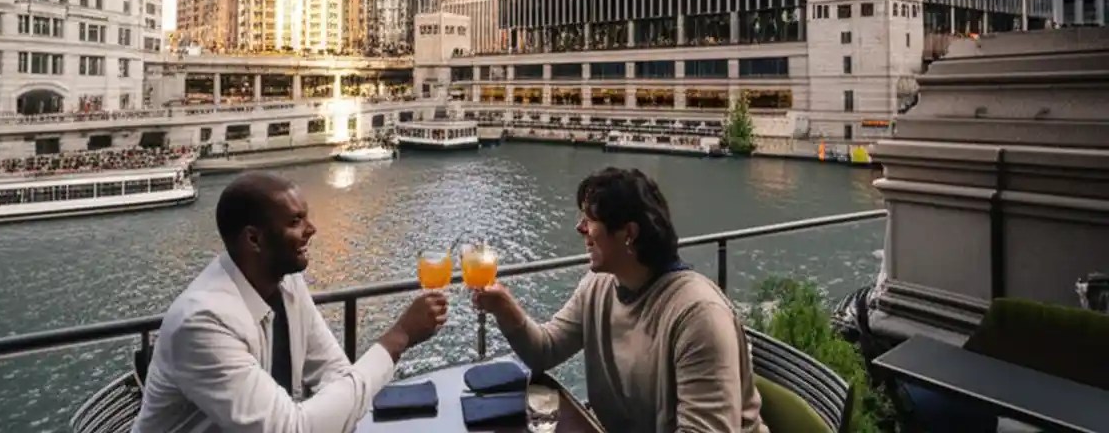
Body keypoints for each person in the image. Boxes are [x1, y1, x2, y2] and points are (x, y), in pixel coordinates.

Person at [133, 171, 448, 433]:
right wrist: (398, 337)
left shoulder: (288, 283)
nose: (312, 229)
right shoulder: (202, 322)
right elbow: (291, 430)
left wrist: (329, 415)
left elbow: (334, 372)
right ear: (253, 239)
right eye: (296, 221)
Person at [474, 167, 768, 433]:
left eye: (589, 220)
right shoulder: (599, 285)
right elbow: (544, 352)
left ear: (629, 233)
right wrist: (504, 308)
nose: (580, 230)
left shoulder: (698, 316)